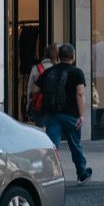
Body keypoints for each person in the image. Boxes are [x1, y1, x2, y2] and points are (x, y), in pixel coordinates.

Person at [37, 43, 91, 183]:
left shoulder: (49, 72)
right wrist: (82, 115)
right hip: (71, 116)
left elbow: (34, 90)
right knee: (75, 145)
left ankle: (50, 174)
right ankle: (82, 172)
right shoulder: (77, 72)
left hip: (52, 115)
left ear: (59, 56)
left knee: (53, 147)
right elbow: (80, 93)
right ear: (73, 57)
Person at [25, 43, 55, 125]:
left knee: (39, 129)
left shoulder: (36, 68)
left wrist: (28, 105)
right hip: (53, 106)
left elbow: (30, 89)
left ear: (45, 55)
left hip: (38, 104)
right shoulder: (57, 69)